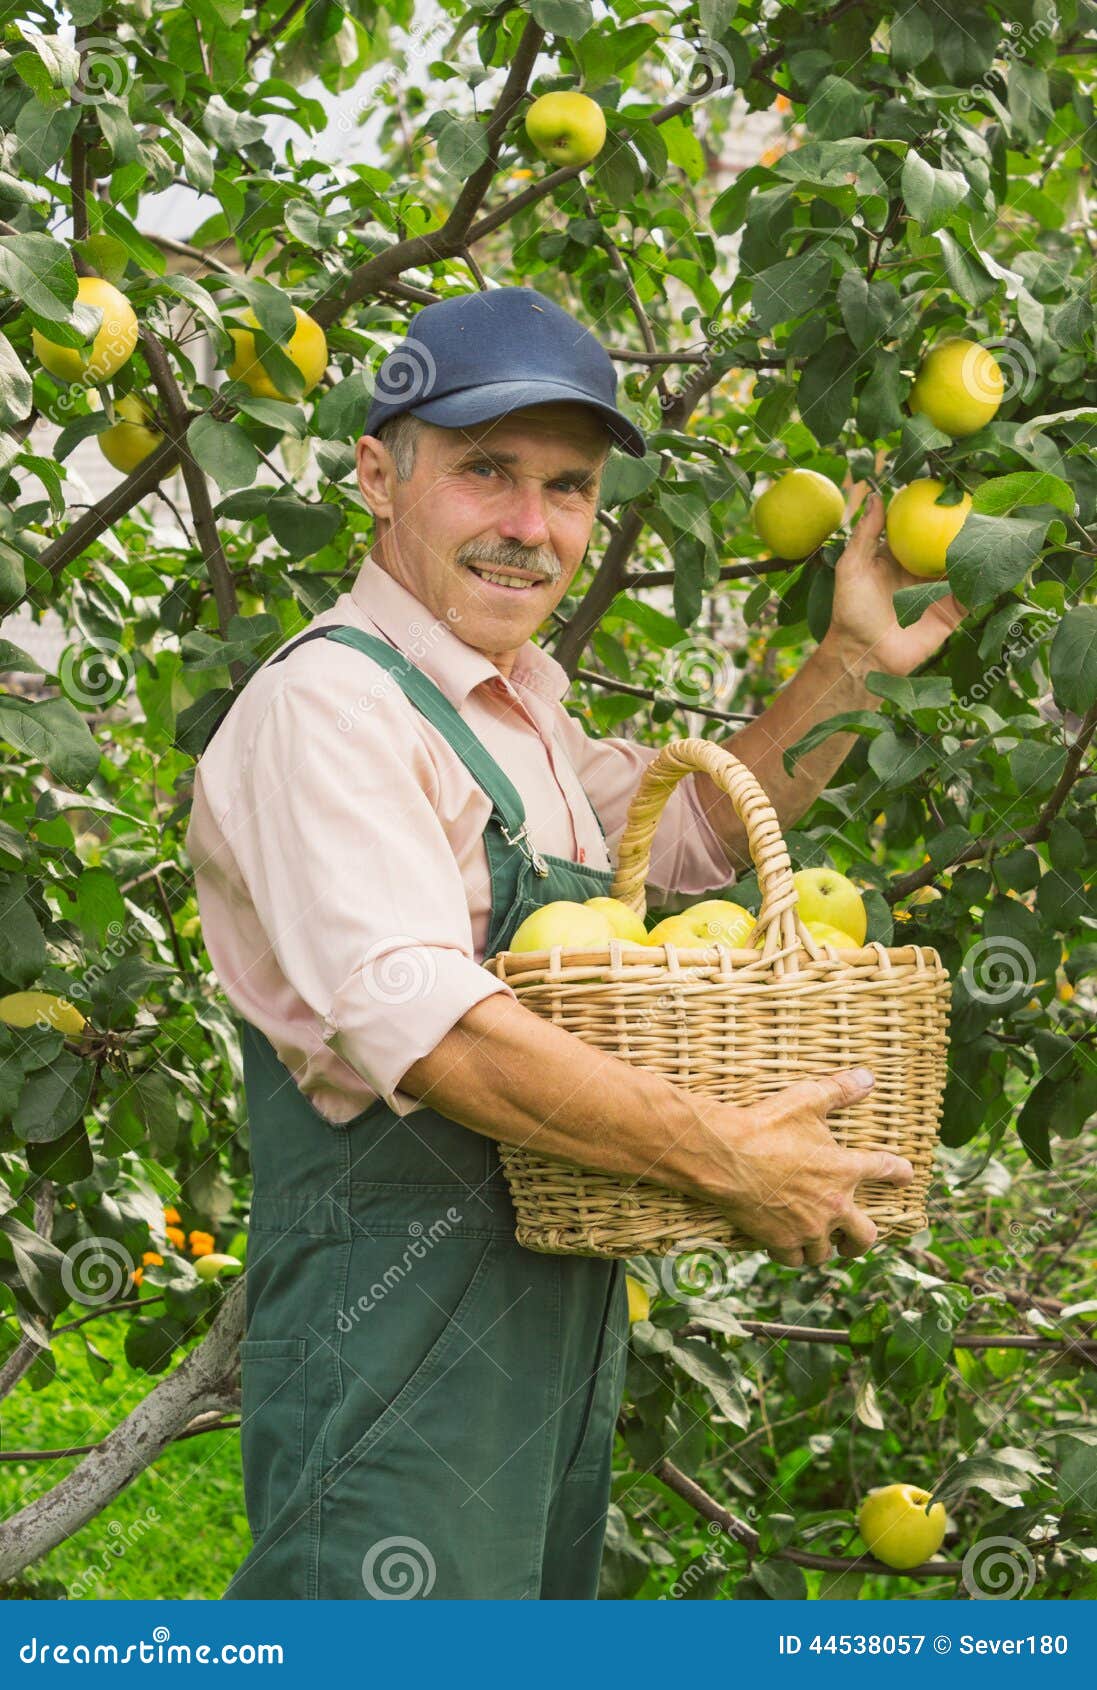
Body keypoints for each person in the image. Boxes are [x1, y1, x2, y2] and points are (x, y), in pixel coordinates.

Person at [186, 286, 966, 1601]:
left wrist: (849, 665)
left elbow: (696, 842)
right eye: (486, 471)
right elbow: (430, 1035)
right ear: (379, 474)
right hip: (396, 1357)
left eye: (566, 487)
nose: (529, 526)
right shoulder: (330, 709)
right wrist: (727, 1157)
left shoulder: (521, 712)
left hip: (549, 1342)